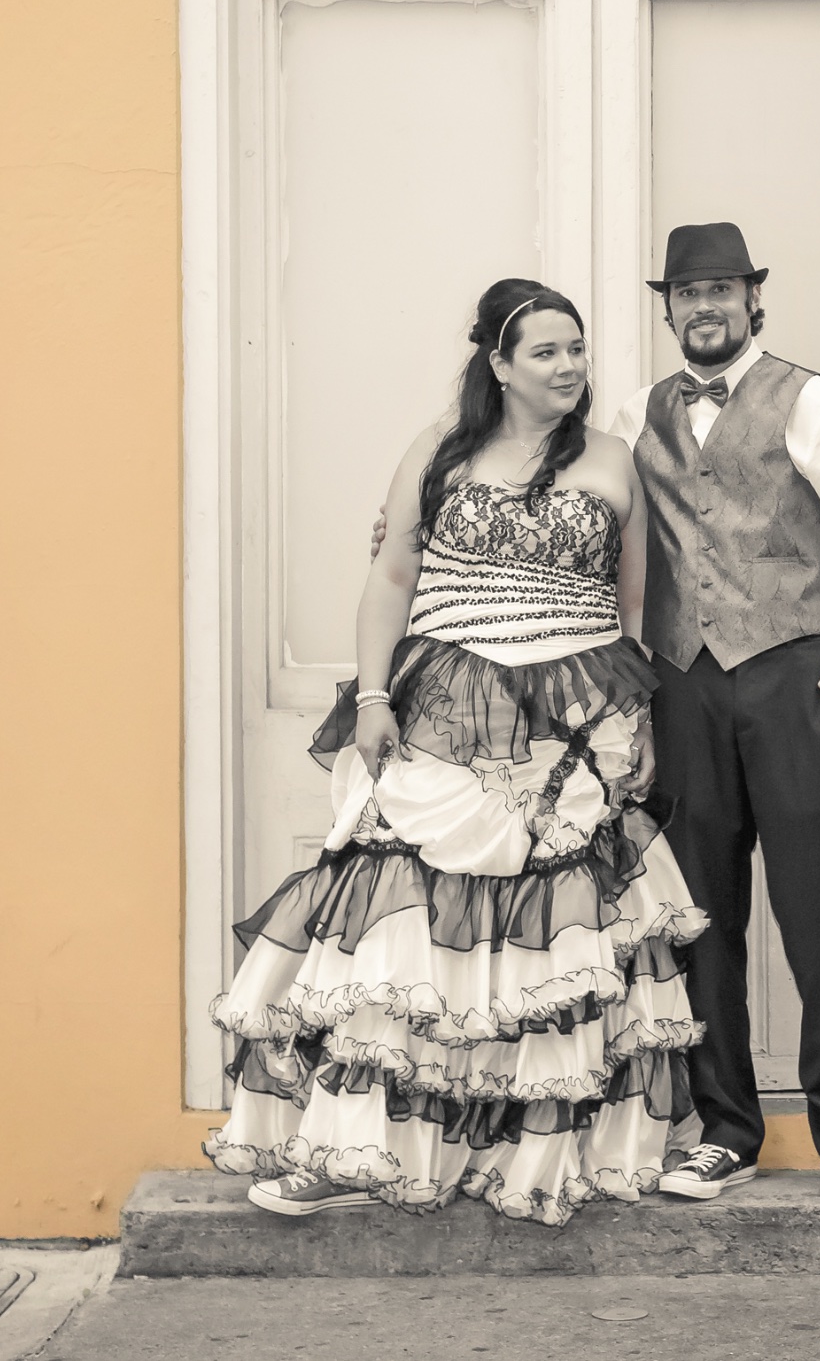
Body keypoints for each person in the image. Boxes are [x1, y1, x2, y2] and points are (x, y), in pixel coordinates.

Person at [206, 279, 707, 1226]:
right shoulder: (440, 452)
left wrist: (630, 721)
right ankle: (347, 1151)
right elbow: (391, 573)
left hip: (573, 711)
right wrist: (370, 693)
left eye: (578, 350)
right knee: (401, 932)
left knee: (551, 940)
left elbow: (630, 604)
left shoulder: (611, 459)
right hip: (440, 698)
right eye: (548, 352)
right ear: (499, 364)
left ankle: (525, 1155)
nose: (570, 367)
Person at [612, 223, 820, 1205]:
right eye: (686, 292)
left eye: (721, 287)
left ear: (754, 299)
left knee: (817, 914)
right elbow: (563, 495)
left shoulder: (813, 401)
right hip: (681, 684)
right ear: (666, 308)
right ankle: (725, 1129)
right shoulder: (635, 413)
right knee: (700, 918)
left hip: (796, 684)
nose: (704, 306)